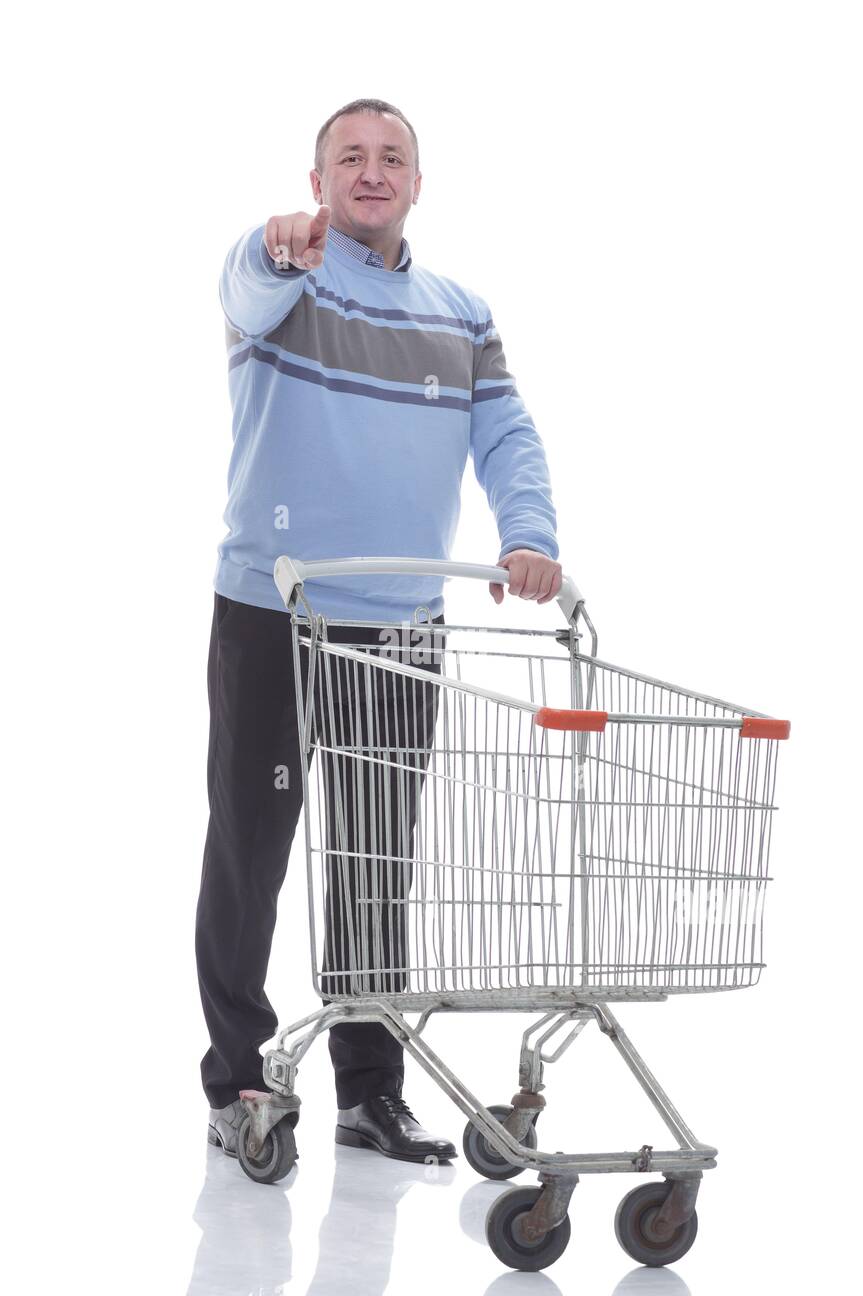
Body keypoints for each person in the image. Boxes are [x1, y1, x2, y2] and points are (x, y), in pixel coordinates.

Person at [196, 97, 563, 1164]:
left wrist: (528, 533)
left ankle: (369, 1091)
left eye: (389, 156)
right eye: (347, 157)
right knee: (250, 851)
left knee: (371, 861)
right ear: (316, 183)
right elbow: (240, 282)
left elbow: (505, 432)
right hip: (274, 614)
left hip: (400, 625)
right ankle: (239, 1083)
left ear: (416, 181)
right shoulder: (283, 278)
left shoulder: (461, 311)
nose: (369, 170)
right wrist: (270, 247)